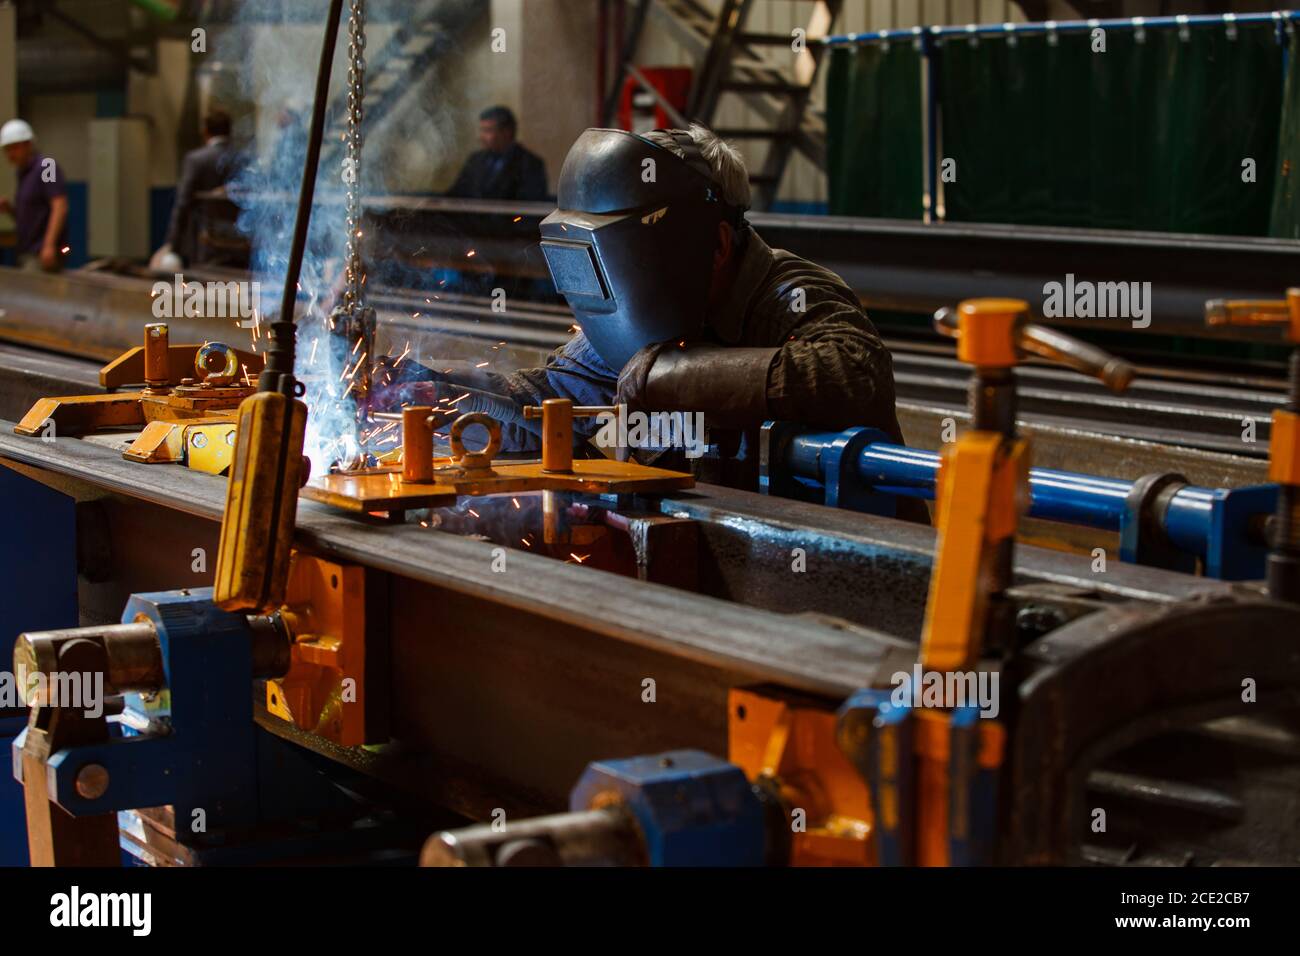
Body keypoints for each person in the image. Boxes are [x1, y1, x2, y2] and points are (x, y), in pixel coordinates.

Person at [381, 124, 914, 504]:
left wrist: (666, 374)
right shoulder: (652, 315)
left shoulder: (790, 294)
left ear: (717, 246)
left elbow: (858, 372)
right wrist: (427, 394)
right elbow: (542, 405)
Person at [153, 109, 244, 269]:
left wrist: (171, 244)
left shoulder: (196, 160)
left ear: (206, 131)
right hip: (241, 242)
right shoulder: (243, 159)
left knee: (208, 290)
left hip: (207, 243)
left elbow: (183, 203)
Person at [0, 119, 68, 273]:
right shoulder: (22, 173)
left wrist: (49, 245)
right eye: (7, 149)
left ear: (28, 144)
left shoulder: (46, 166)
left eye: (15, 148)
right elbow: (30, 217)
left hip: (41, 253)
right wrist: (10, 209)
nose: (10, 154)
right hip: (26, 252)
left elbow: (59, 205)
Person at [446, 105, 548, 202]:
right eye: (482, 130)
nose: (481, 137)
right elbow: (456, 194)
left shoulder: (529, 164)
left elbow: (528, 207)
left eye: (487, 130)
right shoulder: (476, 160)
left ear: (506, 132)